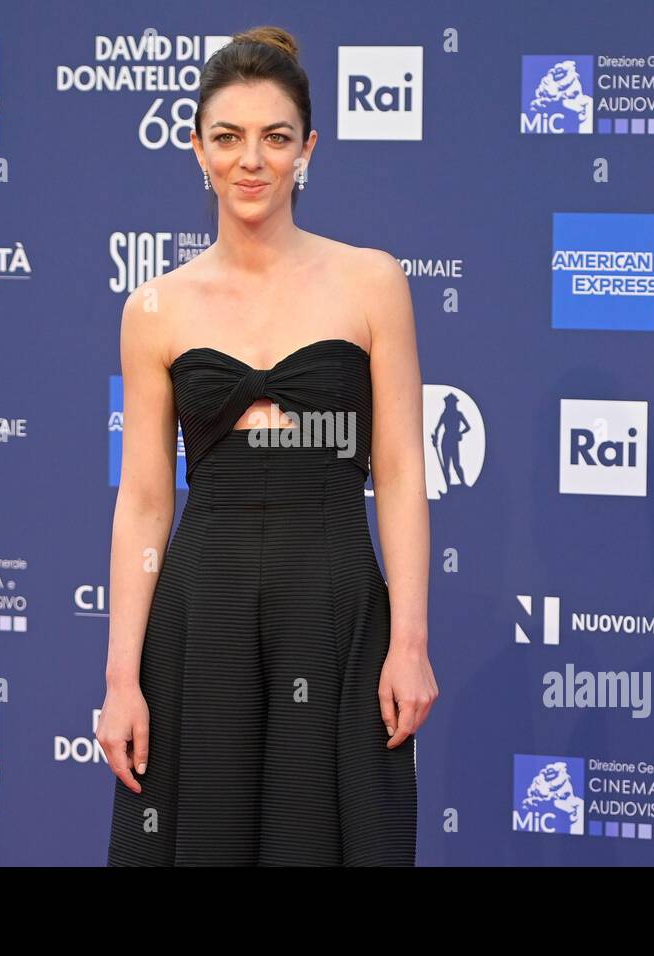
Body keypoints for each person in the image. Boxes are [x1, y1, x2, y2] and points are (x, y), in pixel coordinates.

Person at [98, 25, 438, 866]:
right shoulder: (157, 309)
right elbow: (144, 499)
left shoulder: (372, 282)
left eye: (275, 138)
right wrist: (120, 678)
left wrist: (411, 640)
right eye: (229, 138)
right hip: (200, 609)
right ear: (198, 152)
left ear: (307, 150)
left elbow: (397, 472)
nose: (252, 159)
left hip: (335, 602)